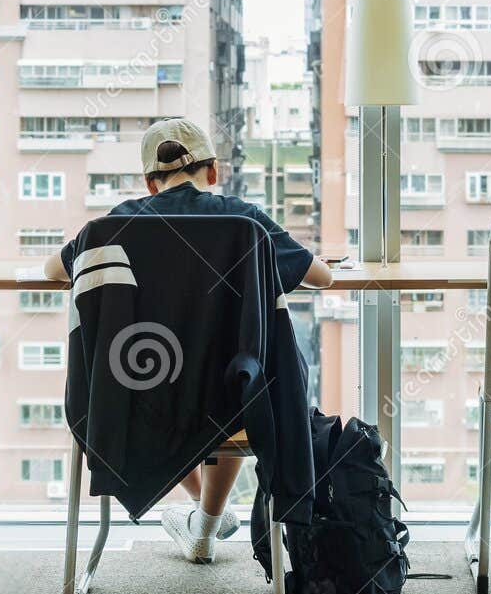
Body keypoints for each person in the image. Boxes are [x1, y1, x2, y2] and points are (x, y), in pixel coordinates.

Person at [45, 118, 332, 563]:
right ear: (213, 172)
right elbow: (322, 277)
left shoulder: (114, 224)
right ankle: (207, 524)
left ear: (149, 182)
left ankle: (204, 521)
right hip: (232, 395)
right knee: (237, 366)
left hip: (134, 393)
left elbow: (54, 270)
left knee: (171, 374)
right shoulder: (244, 222)